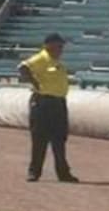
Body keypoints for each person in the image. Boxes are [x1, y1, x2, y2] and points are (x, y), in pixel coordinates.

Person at [17, 33, 79, 183]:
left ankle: (63, 173)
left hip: (58, 103)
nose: (61, 49)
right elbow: (23, 68)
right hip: (43, 103)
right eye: (58, 45)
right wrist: (35, 83)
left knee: (59, 140)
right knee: (39, 139)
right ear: (48, 45)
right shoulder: (41, 58)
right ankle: (34, 172)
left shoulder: (56, 62)